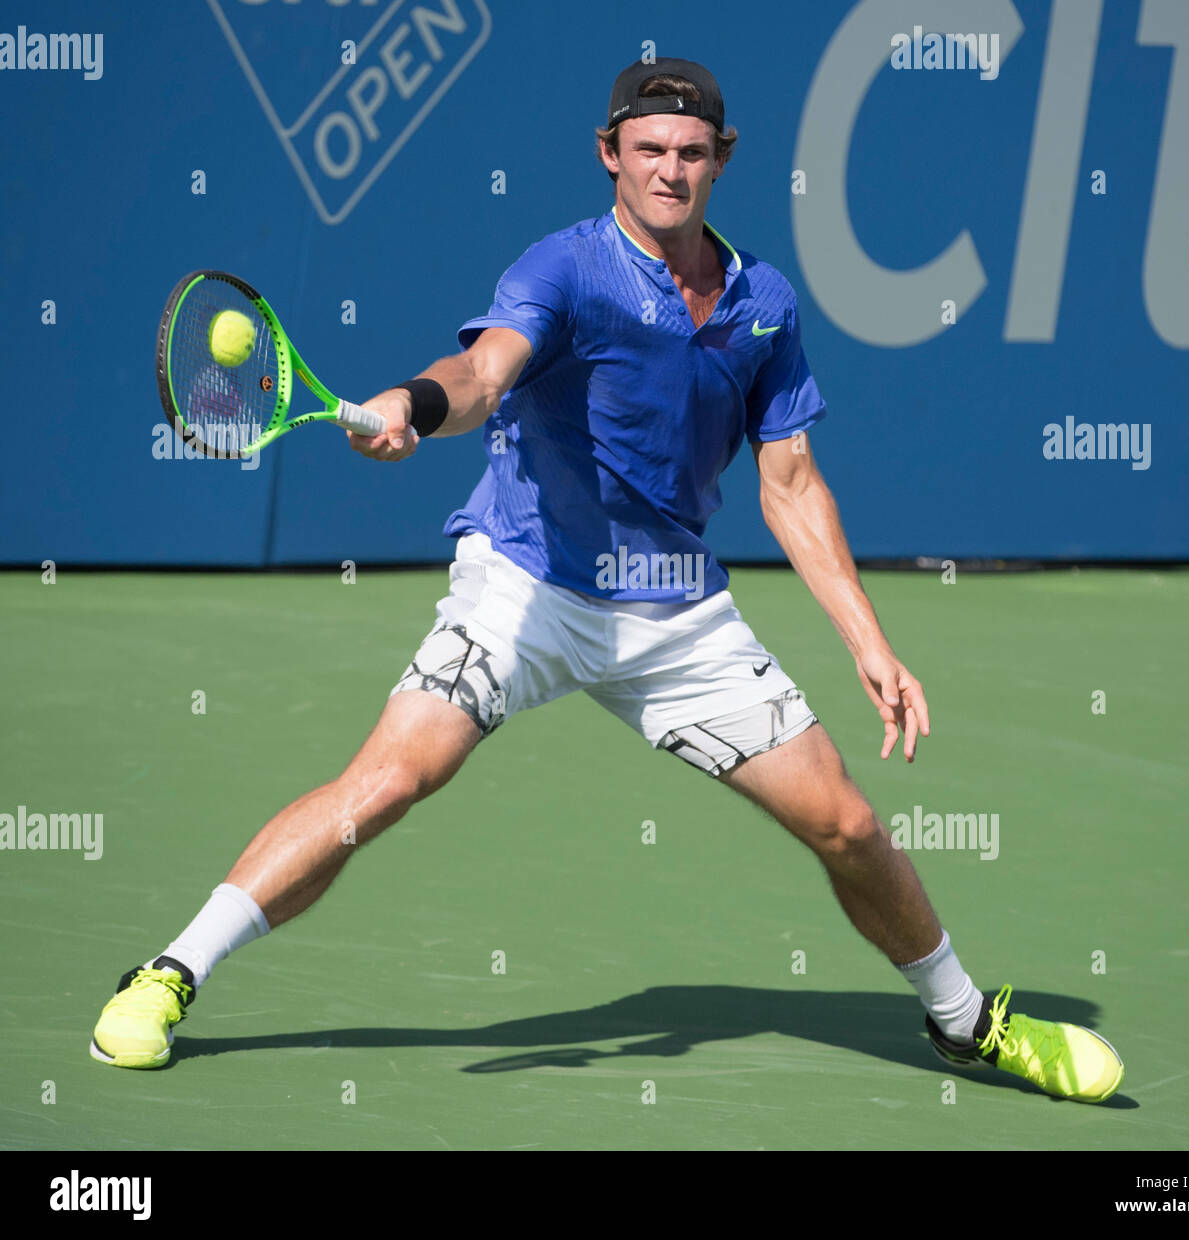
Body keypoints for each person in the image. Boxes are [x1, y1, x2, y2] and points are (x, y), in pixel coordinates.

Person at [91, 57, 1123, 1103]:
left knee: (846, 823)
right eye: (648, 150)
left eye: (691, 152)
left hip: (675, 611)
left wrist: (870, 641)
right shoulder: (565, 269)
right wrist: (414, 400)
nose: (670, 170)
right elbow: (482, 371)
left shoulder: (763, 302)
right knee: (388, 784)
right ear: (610, 155)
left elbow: (791, 484)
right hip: (525, 584)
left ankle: (963, 1021)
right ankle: (169, 973)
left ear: (721, 160)